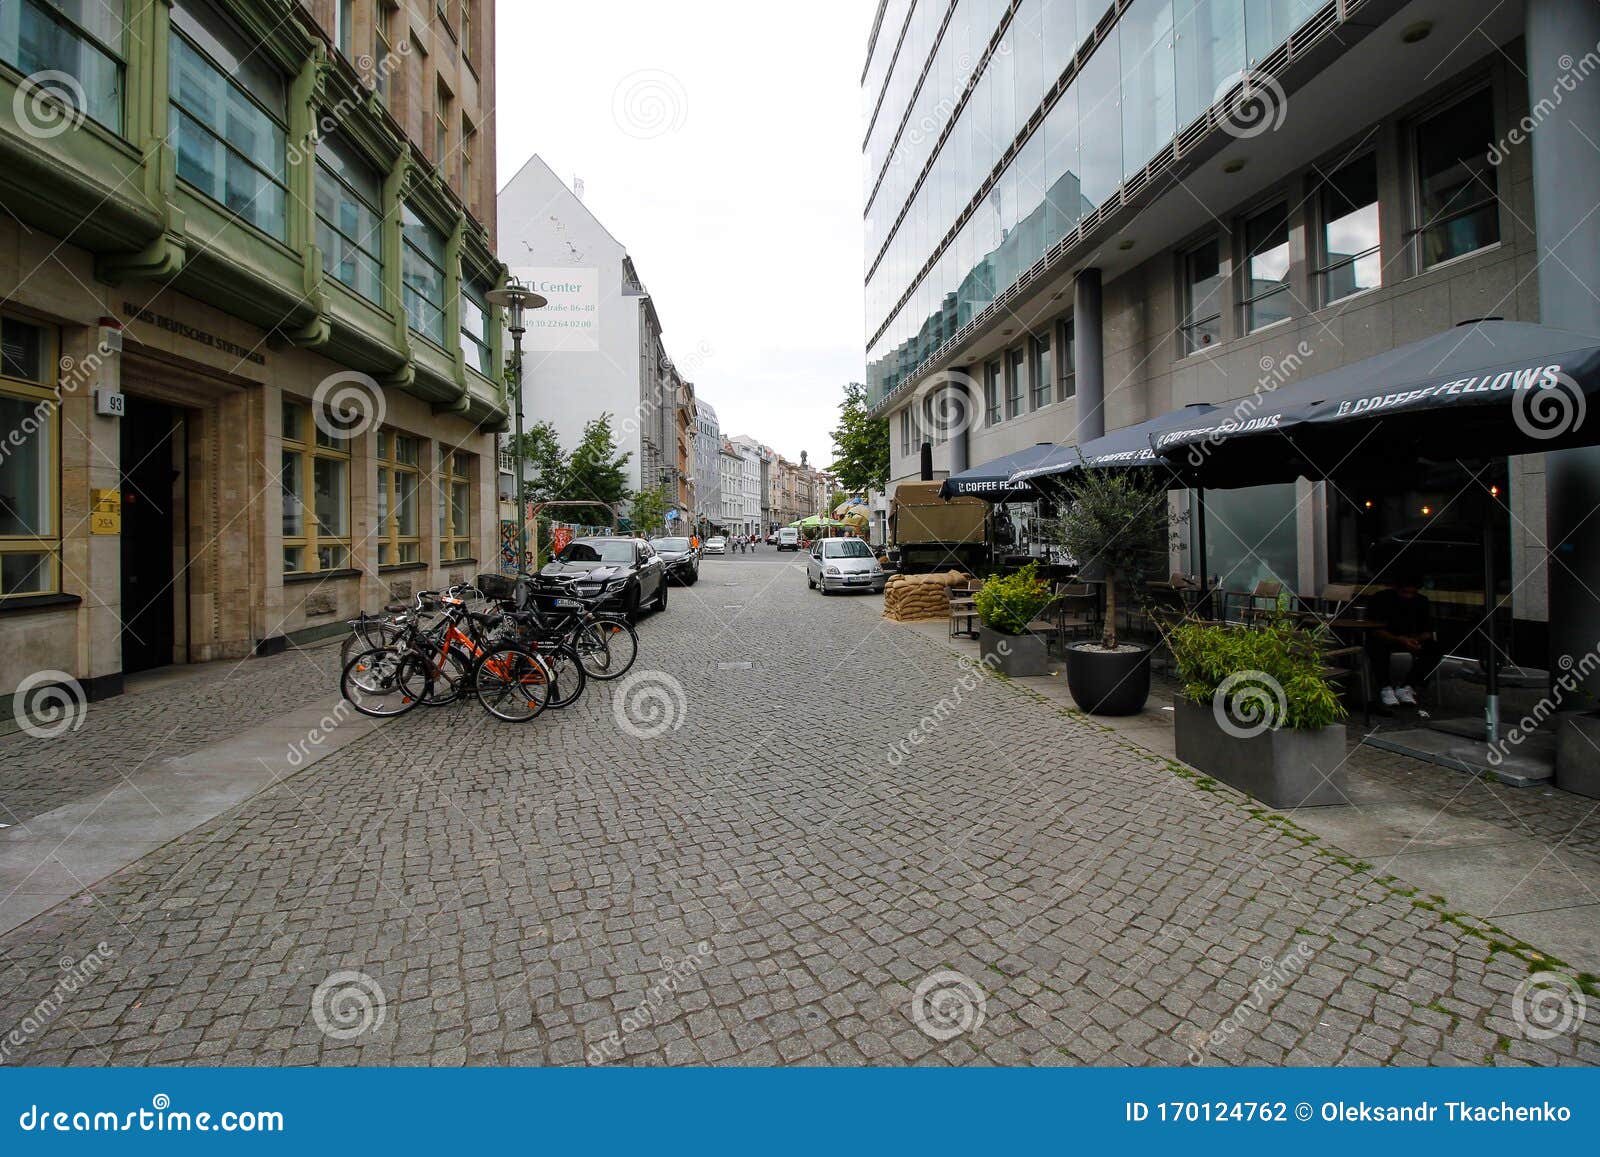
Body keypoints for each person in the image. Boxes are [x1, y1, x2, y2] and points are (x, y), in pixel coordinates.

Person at [1365, 573, 1442, 709]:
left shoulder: (1421, 601)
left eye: (1412, 593)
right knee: (1376, 646)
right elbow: (1375, 629)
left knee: (1434, 648)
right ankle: (1385, 687)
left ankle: (1408, 685)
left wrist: (1414, 640)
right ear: (1396, 588)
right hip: (1387, 637)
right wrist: (1399, 639)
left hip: (1412, 638)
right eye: (1404, 592)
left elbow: (1428, 630)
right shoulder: (1381, 599)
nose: (1408, 596)